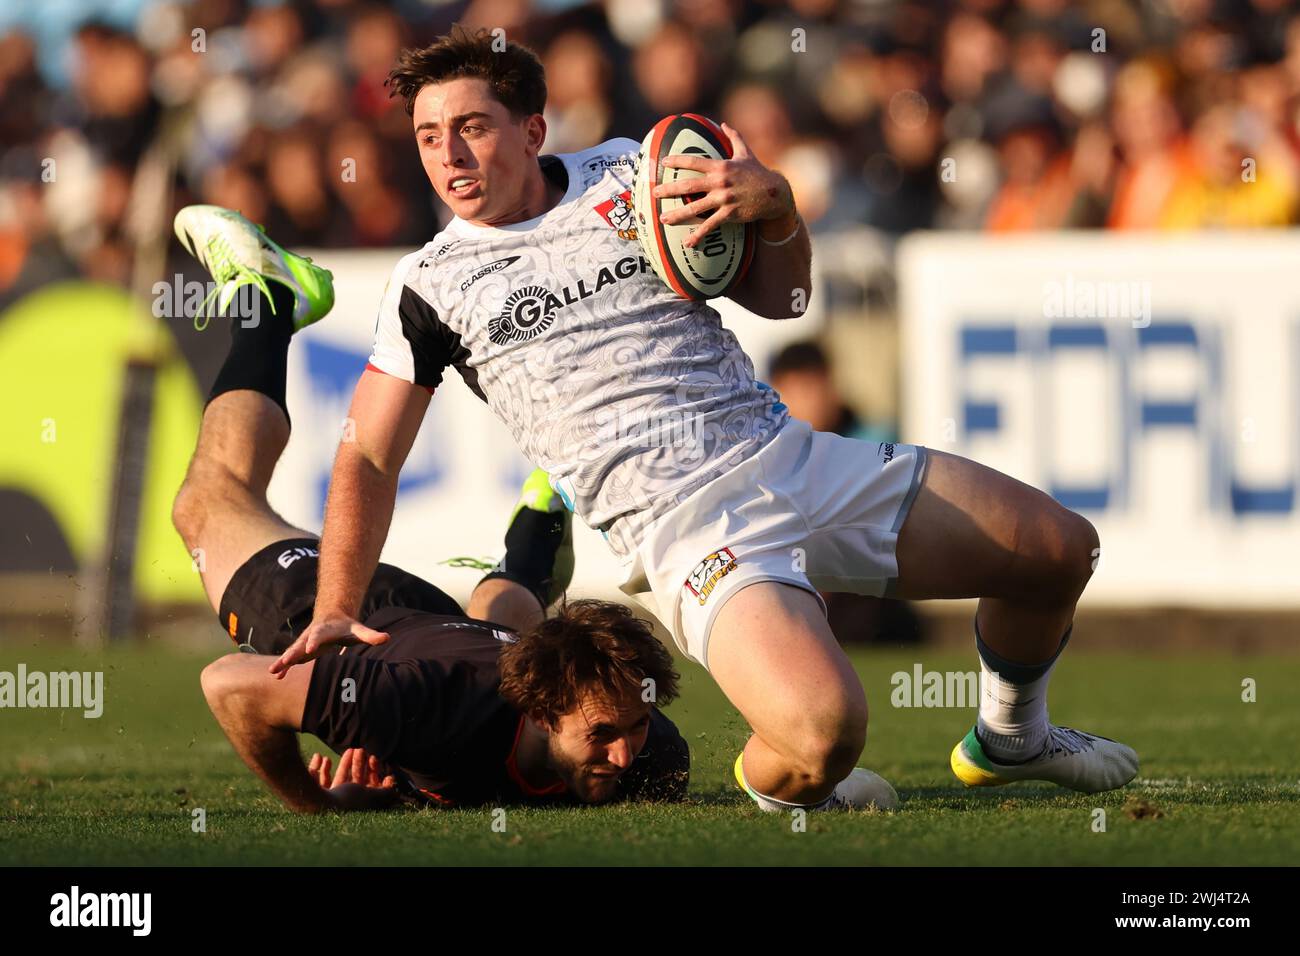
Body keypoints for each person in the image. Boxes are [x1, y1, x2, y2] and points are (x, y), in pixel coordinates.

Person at [211, 24, 1135, 813]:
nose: (447, 155)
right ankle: (778, 778)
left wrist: (774, 207)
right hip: (692, 532)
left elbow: (787, 296)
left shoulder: (638, 172)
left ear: (533, 129)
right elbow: (368, 454)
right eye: (426, 136)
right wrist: (335, 609)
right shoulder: (428, 286)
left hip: (792, 455)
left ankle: (1013, 737)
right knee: (825, 735)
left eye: (470, 128)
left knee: (1060, 549)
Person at [168, 216, 689, 812]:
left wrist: (396, 784)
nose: (624, 756)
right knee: (209, 505)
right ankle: (272, 294)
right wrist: (318, 804)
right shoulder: (428, 709)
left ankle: (538, 526)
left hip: (443, 639)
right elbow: (230, 686)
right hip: (353, 628)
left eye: (636, 727)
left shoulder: (653, 758)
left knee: (507, 644)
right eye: (603, 735)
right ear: (543, 715)